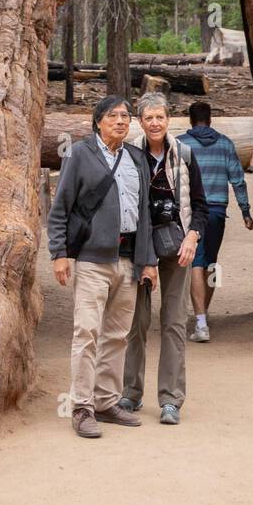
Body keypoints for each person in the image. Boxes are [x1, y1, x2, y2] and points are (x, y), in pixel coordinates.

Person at [47, 95, 158, 439]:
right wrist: (59, 252)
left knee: (116, 335)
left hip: (127, 261)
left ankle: (107, 401)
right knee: (86, 333)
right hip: (93, 260)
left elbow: (144, 214)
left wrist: (148, 261)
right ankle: (82, 406)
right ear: (98, 121)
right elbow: (61, 205)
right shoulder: (80, 154)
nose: (122, 121)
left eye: (126, 116)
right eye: (114, 116)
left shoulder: (136, 158)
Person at [118, 92, 209, 426]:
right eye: (148, 118)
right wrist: (145, 260)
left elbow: (201, 205)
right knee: (136, 323)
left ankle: (170, 399)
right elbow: (129, 206)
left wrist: (192, 236)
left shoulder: (184, 154)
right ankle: (130, 392)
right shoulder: (129, 156)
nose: (154, 123)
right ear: (140, 122)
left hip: (176, 248)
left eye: (160, 117)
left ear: (168, 120)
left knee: (173, 322)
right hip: (140, 249)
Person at [179, 100, 253, 342]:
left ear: (190, 120)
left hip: (193, 212)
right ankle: (204, 313)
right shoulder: (225, 144)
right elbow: (238, 180)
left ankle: (201, 322)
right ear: (210, 119)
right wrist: (245, 211)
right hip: (218, 212)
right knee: (211, 262)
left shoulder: (182, 144)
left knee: (196, 264)